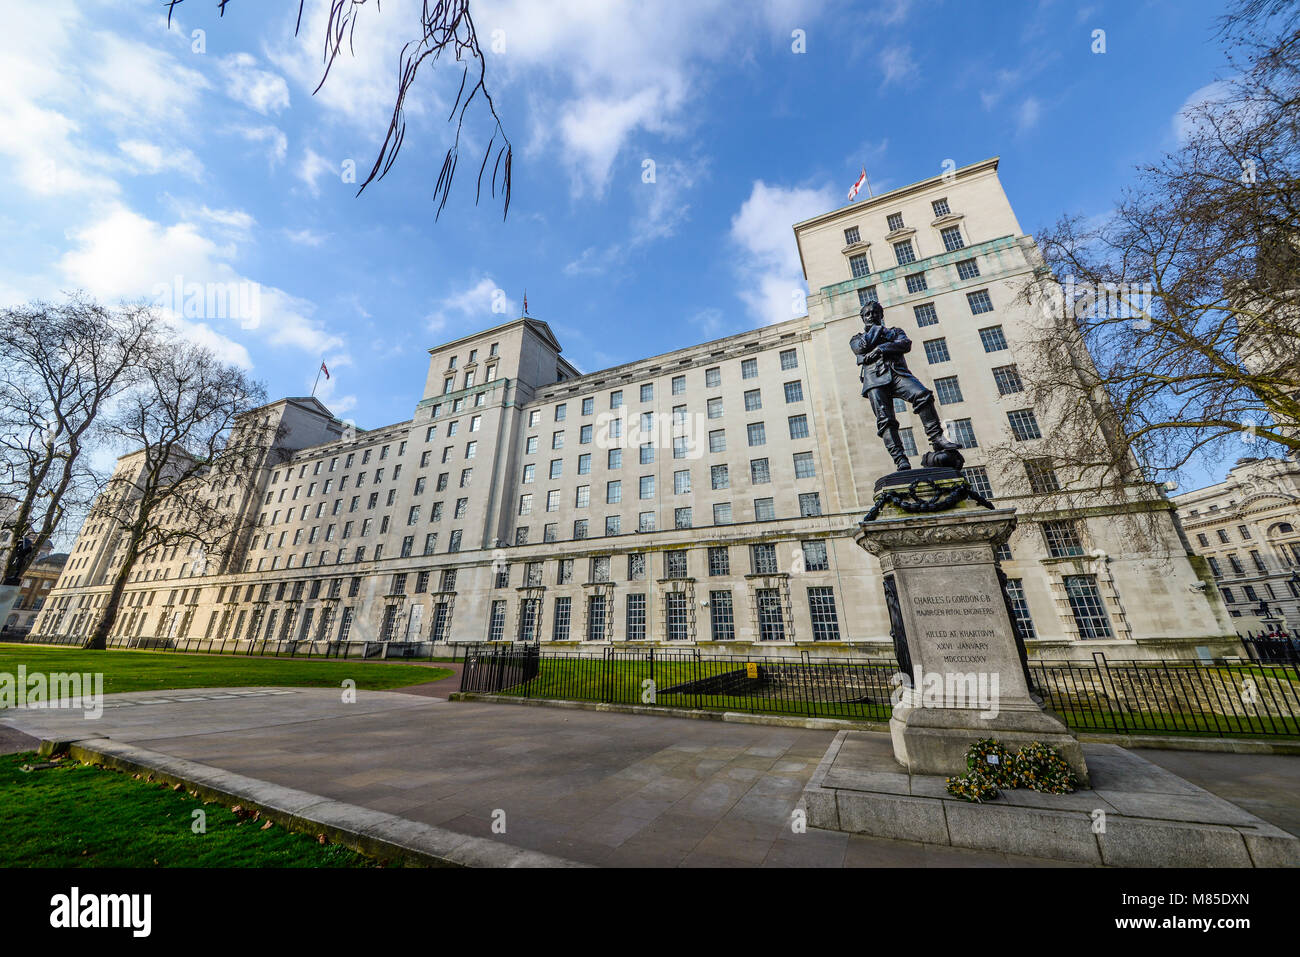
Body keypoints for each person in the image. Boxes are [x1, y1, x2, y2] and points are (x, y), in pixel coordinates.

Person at [850, 300, 961, 471]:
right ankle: (900, 458)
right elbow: (861, 348)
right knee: (885, 420)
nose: (872, 316)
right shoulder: (857, 338)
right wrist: (877, 330)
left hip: (898, 373)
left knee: (922, 395)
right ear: (863, 318)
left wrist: (881, 349)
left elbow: (905, 344)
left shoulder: (895, 332)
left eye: (875, 312)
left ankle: (937, 438)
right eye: (867, 314)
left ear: (881, 315)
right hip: (874, 380)